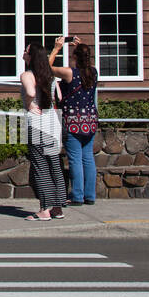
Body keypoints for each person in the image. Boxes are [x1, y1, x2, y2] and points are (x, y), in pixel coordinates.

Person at [20, 42, 66, 221]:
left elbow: (31, 91)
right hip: (53, 124)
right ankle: (57, 208)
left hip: (38, 125)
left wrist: (29, 103)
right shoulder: (50, 76)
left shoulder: (27, 75)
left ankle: (44, 209)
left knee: (40, 168)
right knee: (55, 166)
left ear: (31, 56)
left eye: (26, 51)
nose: (23, 53)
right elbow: (59, 97)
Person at [50, 36, 98, 205]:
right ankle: (90, 195)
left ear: (75, 57)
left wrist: (57, 48)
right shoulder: (93, 72)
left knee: (75, 159)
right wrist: (80, 47)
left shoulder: (69, 73)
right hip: (90, 120)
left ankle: (77, 196)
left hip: (73, 120)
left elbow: (47, 67)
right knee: (88, 158)